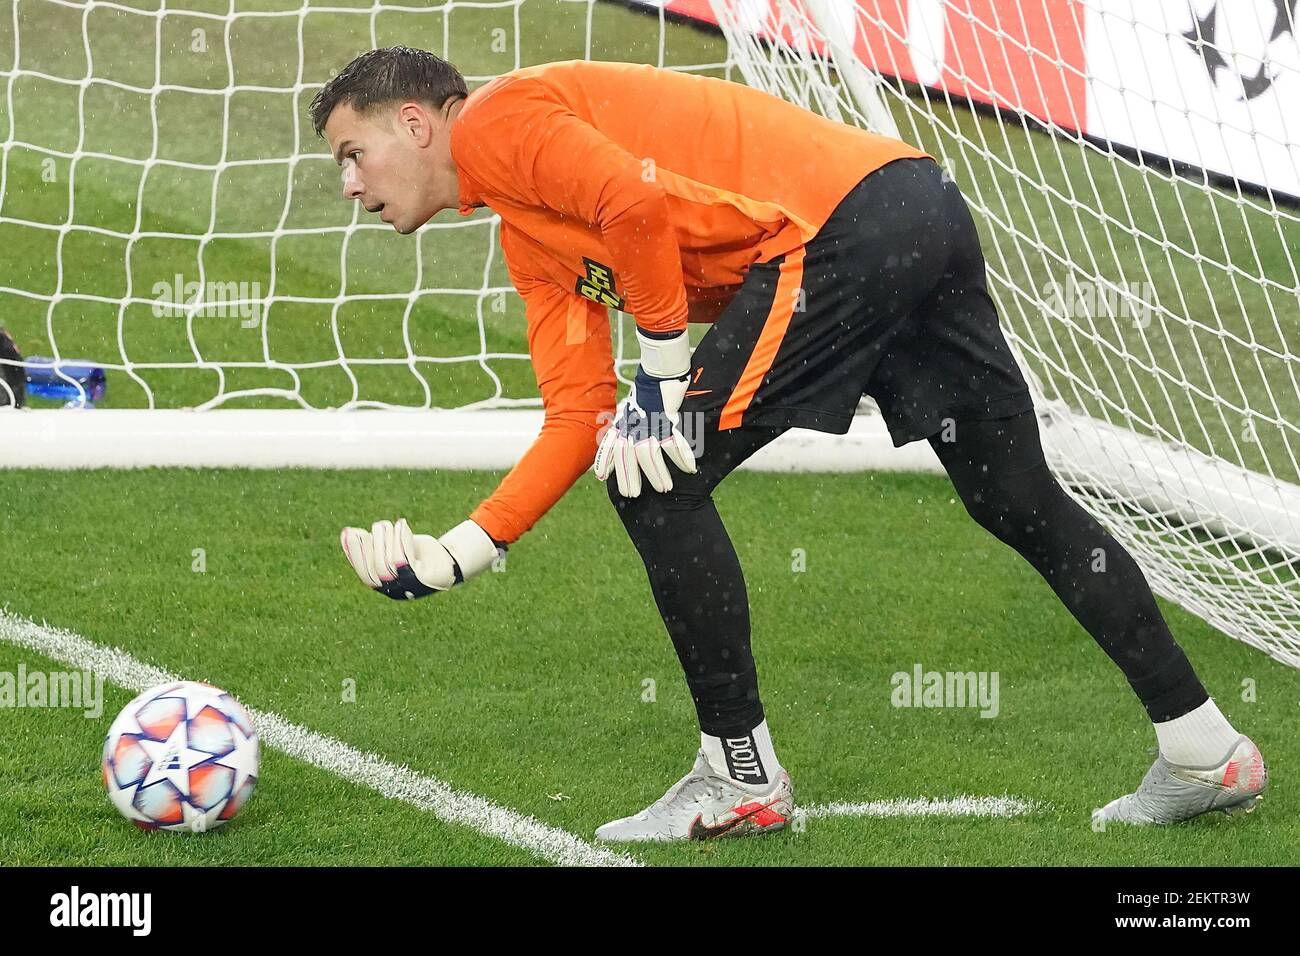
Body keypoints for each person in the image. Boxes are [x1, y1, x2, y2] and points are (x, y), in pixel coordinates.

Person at [315, 47, 1267, 841]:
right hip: (910, 206)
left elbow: (637, 207)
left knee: (656, 481)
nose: (351, 184)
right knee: (1010, 495)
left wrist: (660, 373)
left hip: (836, 235)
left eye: (353, 152)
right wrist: (459, 552)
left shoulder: (499, 120)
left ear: (418, 123)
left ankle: (741, 779)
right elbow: (578, 417)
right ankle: (1204, 746)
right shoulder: (529, 234)